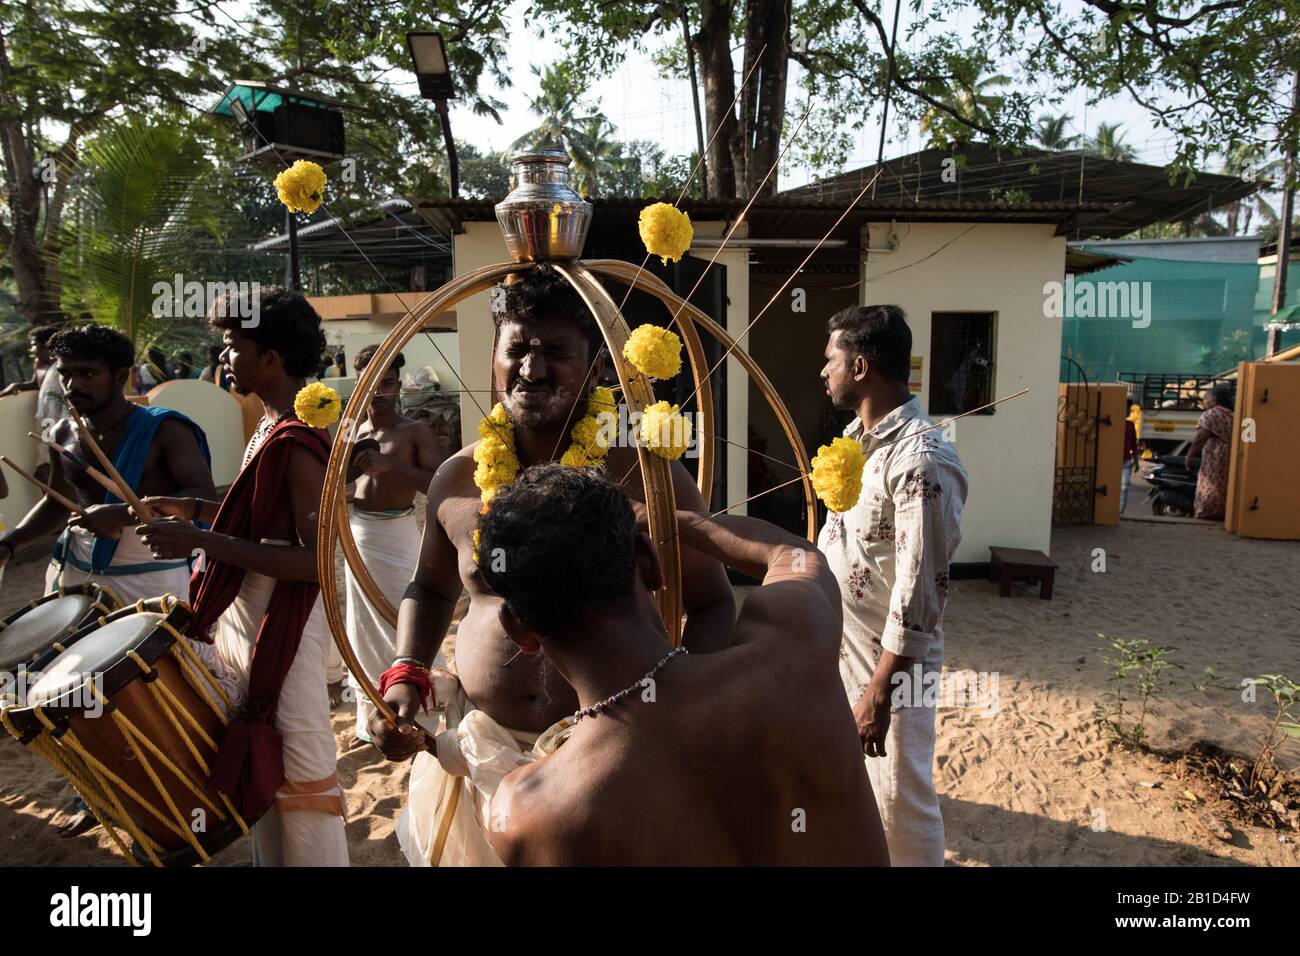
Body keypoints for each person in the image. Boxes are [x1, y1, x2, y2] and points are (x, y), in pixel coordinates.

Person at [368, 264, 736, 866]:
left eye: (556, 352)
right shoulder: (457, 479)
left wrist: (682, 708)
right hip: (478, 751)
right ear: (493, 356)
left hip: (614, 758)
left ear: (595, 366)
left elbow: (714, 602)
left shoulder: (646, 477)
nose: (533, 370)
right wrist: (406, 671)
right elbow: (431, 589)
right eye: (518, 349)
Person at [479, 464, 889, 865]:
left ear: (519, 631)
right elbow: (794, 554)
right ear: (650, 564)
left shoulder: (528, 817)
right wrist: (665, 521)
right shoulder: (794, 646)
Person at [136, 287, 348, 867]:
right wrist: (198, 510)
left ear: (271, 360)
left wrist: (204, 540)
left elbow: (317, 561)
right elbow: (260, 512)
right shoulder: (276, 424)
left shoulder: (299, 442)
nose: (224, 359)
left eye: (232, 347)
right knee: (266, 766)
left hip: (284, 625)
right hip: (251, 617)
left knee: (300, 768)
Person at [817, 304, 969, 867]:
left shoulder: (924, 458)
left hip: (892, 668)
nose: (822, 371)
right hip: (844, 648)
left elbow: (919, 592)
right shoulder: (858, 442)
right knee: (854, 789)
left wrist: (880, 693)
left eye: (829, 359)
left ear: (859, 367)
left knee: (899, 798)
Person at [0, 324, 216, 605]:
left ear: (119, 376)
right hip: (80, 565)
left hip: (153, 571)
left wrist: (125, 513)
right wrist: (10, 543)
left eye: (87, 373)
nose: (73, 384)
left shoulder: (166, 429)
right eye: (65, 373)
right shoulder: (61, 433)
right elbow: (58, 502)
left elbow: (203, 496)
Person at [343, 345, 443, 744]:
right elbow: (341, 483)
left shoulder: (413, 431)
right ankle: (373, 717)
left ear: (398, 385)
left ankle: (427, 710)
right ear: (360, 381)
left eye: (388, 381)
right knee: (361, 627)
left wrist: (394, 466)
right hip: (359, 536)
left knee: (406, 617)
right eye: (373, 380)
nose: (380, 389)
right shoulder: (353, 430)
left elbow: (440, 483)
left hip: (398, 535)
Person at [1187, 383, 1233, 521]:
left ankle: (1205, 513)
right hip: (1234, 458)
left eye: (1205, 400)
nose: (1204, 403)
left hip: (1217, 459)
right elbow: (1250, 440)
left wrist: (1189, 455)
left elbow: (1200, 438)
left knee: (1210, 486)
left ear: (1214, 400)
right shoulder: (1240, 414)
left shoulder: (1211, 414)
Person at [1121, 400, 1140, 513]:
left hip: (1126, 461)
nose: (1130, 411)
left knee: (1124, 487)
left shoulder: (1130, 424)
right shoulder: (1113, 424)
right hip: (1113, 461)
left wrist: (1136, 461)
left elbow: (1134, 444)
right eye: (1128, 408)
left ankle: (1120, 511)